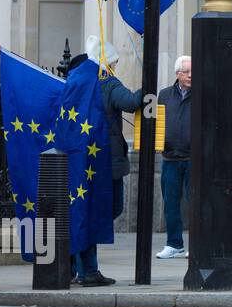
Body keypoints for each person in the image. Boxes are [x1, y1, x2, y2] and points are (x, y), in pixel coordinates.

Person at [68, 37, 143, 286]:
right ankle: (86, 269)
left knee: (85, 213)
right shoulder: (107, 82)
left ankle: (78, 265)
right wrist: (147, 86)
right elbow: (131, 103)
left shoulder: (77, 80)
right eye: (115, 62)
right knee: (106, 211)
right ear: (107, 63)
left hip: (81, 158)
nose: (116, 66)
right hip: (105, 160)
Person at [156, 56, 191, 259]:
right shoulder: (165, 95)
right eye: (187, 72)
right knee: (170, 204)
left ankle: (196, 244)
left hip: (193, 158)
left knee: (194, 203)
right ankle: (174, 243)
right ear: (178, 73)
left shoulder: (202, 94)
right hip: (170, 158)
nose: (190, 76)